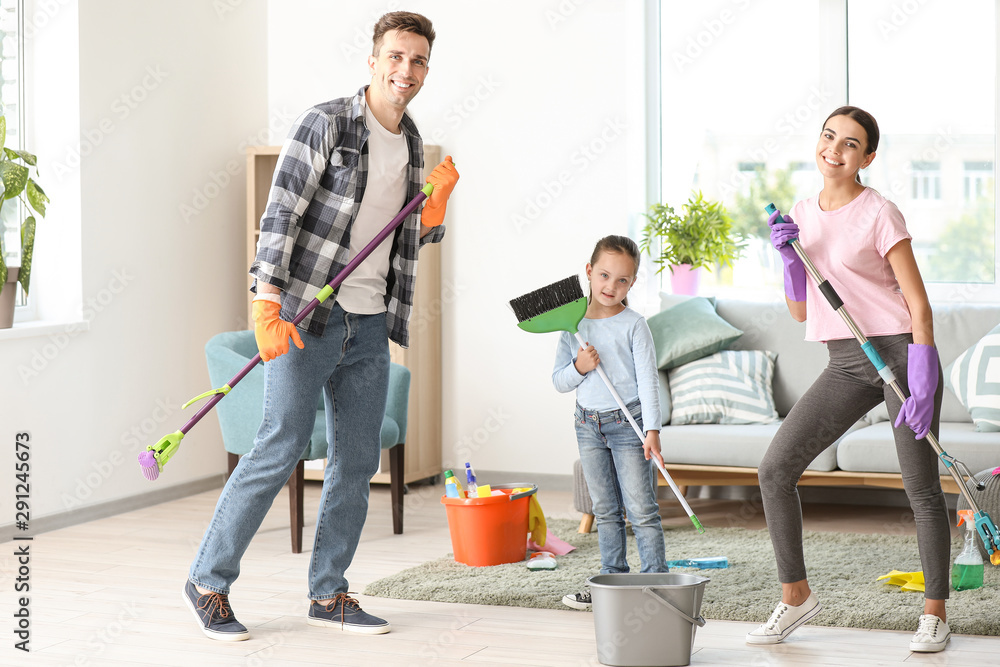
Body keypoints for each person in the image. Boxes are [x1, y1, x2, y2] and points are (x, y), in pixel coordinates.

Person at [183, 11, 459, 641]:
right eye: (395, 56)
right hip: (309, 313)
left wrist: (435, 210)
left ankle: (328, 591)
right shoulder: (328, 122)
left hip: (369, 320)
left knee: (356, 460)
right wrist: (266, 302)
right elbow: (280, 213)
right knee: (279, 445)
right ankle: (207, 581)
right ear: (372, 60)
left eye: (417, 61)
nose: (405, 70)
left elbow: (404, 236)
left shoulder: (413, 140)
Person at [748, 106, 951, 653]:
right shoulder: (800, 212)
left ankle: (935, 613)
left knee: (921, 490)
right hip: (845, 360)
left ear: (868, 158)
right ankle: (796, 596)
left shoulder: (880, 212)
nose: (834, 150)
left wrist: (924, 373)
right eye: (828, 136)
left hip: (900, 355)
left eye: (851, 144)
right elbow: (798, 311)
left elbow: (918, 303)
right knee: (775, 469)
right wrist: (790, 262)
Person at [552, 235, 667, 611]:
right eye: (604, 275)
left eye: (622, 280)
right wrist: (579, 367)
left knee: (642, 509)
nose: (611, 286)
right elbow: (558, 381)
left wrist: (652, 430)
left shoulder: (635, 325)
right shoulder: (571, 324)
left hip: (628, 424)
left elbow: (649, 381)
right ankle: (612, 580)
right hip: (586, 425)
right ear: (589, 271)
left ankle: (656, 584)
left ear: (632, 283)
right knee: (605, 510)